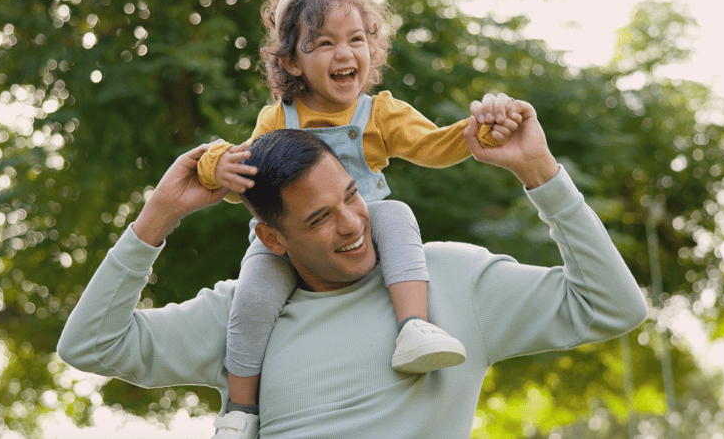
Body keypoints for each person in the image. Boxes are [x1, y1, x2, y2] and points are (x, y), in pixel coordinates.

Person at [57, 96, 649, 438]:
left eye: (351, 195)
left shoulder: (451, 281)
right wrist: (157, 216)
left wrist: (539, 171)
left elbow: (613, 306)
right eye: (319, 219)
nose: (351, 224)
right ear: (273, 238)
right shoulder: (244, 317)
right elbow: (92, 344)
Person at [194, 0, 513, 436]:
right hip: (294, 239)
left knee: (398, 215)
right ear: (291, 61)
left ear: (372, 46)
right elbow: (239, 179)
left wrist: (476, 131)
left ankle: (413, 328)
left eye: (356, 38)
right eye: (323, 43)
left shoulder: (380, 114)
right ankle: (241, 410)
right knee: (252, 293)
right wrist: (212, 164)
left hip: (365, 225)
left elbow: (430, 146)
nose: (344, 52)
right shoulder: (276, 120)